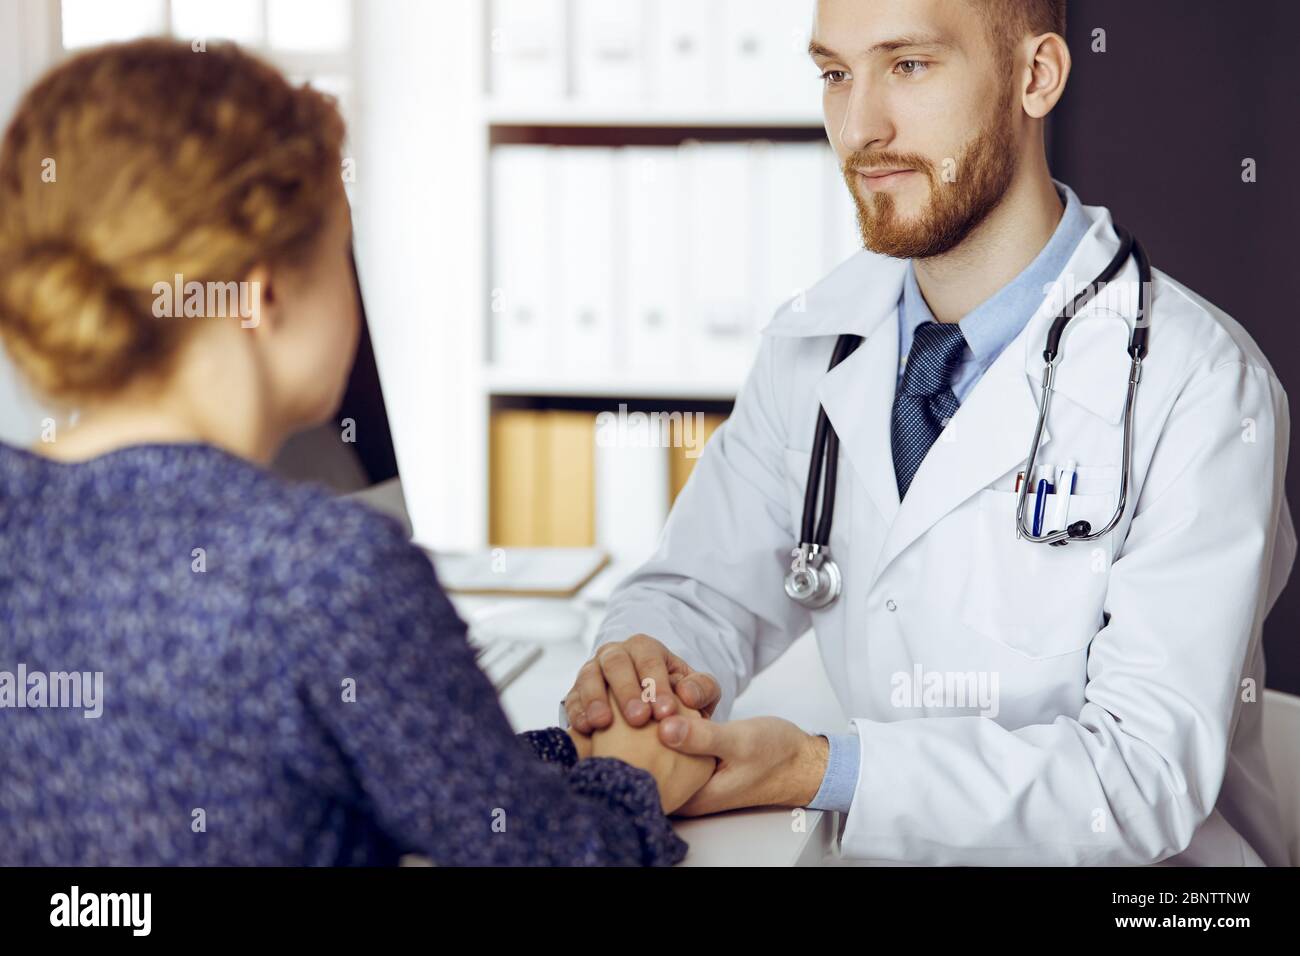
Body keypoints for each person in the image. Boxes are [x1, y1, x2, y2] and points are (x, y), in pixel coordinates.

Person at [562, 0, 1296, 865]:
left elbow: (1139, 780)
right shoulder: (817, 340)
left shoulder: (1199, 384)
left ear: (1037, 77)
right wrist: (645, 672)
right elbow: (698, 592)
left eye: (907, 66)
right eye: (835, 74)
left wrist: (815, 771)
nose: (860, 127)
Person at [0, 38, 712, 866]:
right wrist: (630, 780)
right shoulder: (327, 570)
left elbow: (419, 783)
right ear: (262, 295)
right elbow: (552, 858)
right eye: (342, 247)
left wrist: (554, 759)